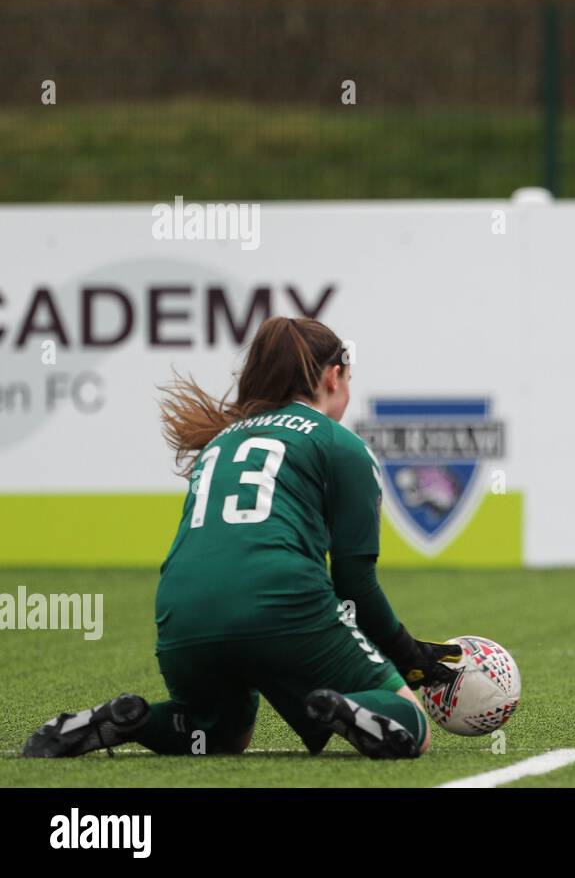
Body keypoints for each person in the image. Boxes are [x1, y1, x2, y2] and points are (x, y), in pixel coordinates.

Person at [23, 317, 462, 760]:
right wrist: (408, 654)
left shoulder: (220, 441)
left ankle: (130, 719)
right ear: (334, 376)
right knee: (414, 724)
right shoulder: (341, 445)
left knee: (215, 735)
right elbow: (354, 584)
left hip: (182, 612)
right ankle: (350, 705)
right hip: (281, 604)